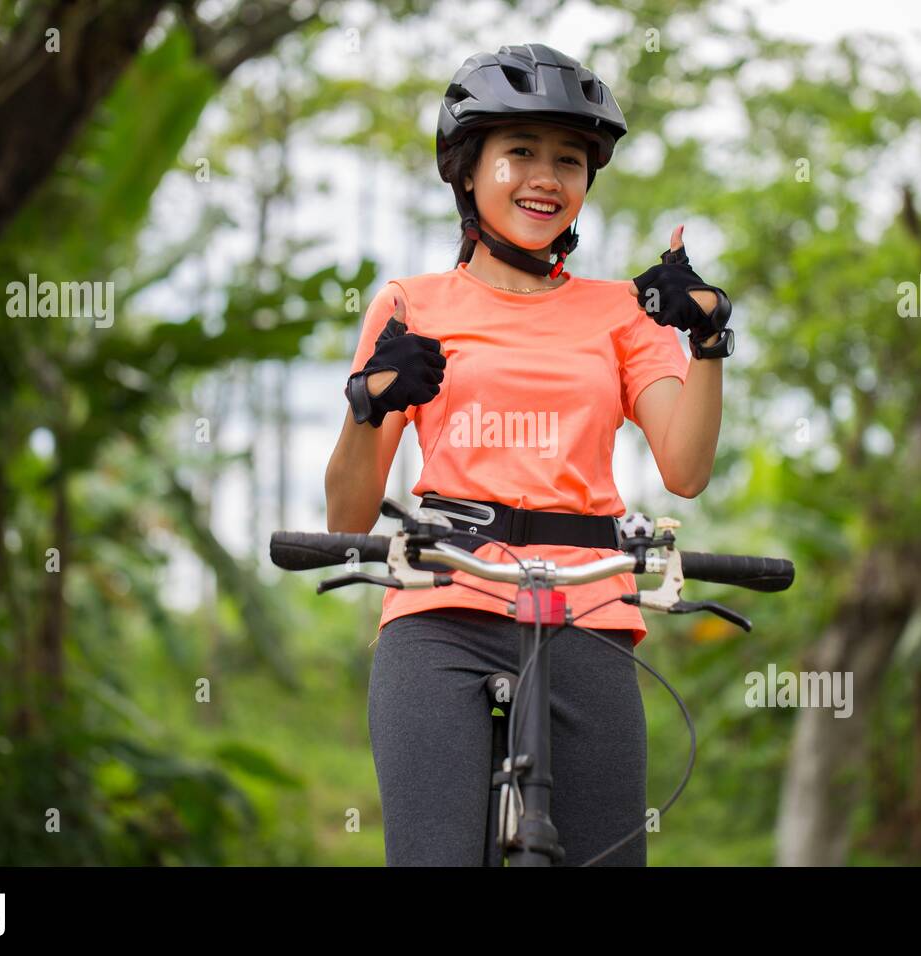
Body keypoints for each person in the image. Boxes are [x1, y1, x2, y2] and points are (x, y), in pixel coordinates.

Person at [324, 42, 732, 866]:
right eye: (520, 152)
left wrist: (710, 338)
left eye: (569, 160)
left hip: (586, 609)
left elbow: (684, 469)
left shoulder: (623, 310)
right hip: (441, 608)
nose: (546, 176)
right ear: (469, 171)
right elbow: (347, 516)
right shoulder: (412, 305)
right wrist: (369, 405)